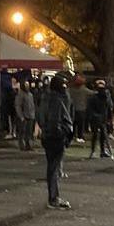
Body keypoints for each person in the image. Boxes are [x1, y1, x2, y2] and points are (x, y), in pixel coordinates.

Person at [36, 73, 73, 210]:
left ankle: (53, 197)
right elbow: (55, 121)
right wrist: (62, 134)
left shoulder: (45, 98)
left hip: (47, 137)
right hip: (55, 138)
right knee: (54, 168)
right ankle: (53, 198)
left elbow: (40, 117)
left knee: (52, 168)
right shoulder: (57, 100)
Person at [86, 79, 114, 159]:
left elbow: (109, 107)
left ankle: (101, 151)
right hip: (97, 118)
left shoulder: (106, 97)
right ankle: (94, 151)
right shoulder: (94, 97)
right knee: (96, 134)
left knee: (102, 135)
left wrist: (109, 118)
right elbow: (90, 108)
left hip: (102, 118)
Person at [68, 77, 92, 143]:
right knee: (80, 124)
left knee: (73, 124)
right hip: (81, 109)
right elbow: (92, 93)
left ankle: (71, 136)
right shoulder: (83, 90)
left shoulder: (71, 90)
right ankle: (79, 136)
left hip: (72, 109)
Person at [15, 79, 36, 151]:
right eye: (26, 85)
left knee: (29, 132)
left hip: (30, 116)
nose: (27, 86)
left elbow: (32, 105)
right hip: (24, 116)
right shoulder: (20, 95)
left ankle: (28, 145)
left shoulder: (30, 95)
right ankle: (22, 145)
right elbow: (18, 106)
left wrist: (33, 114)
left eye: (28, 85)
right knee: (22, 131)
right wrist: (21, 116)